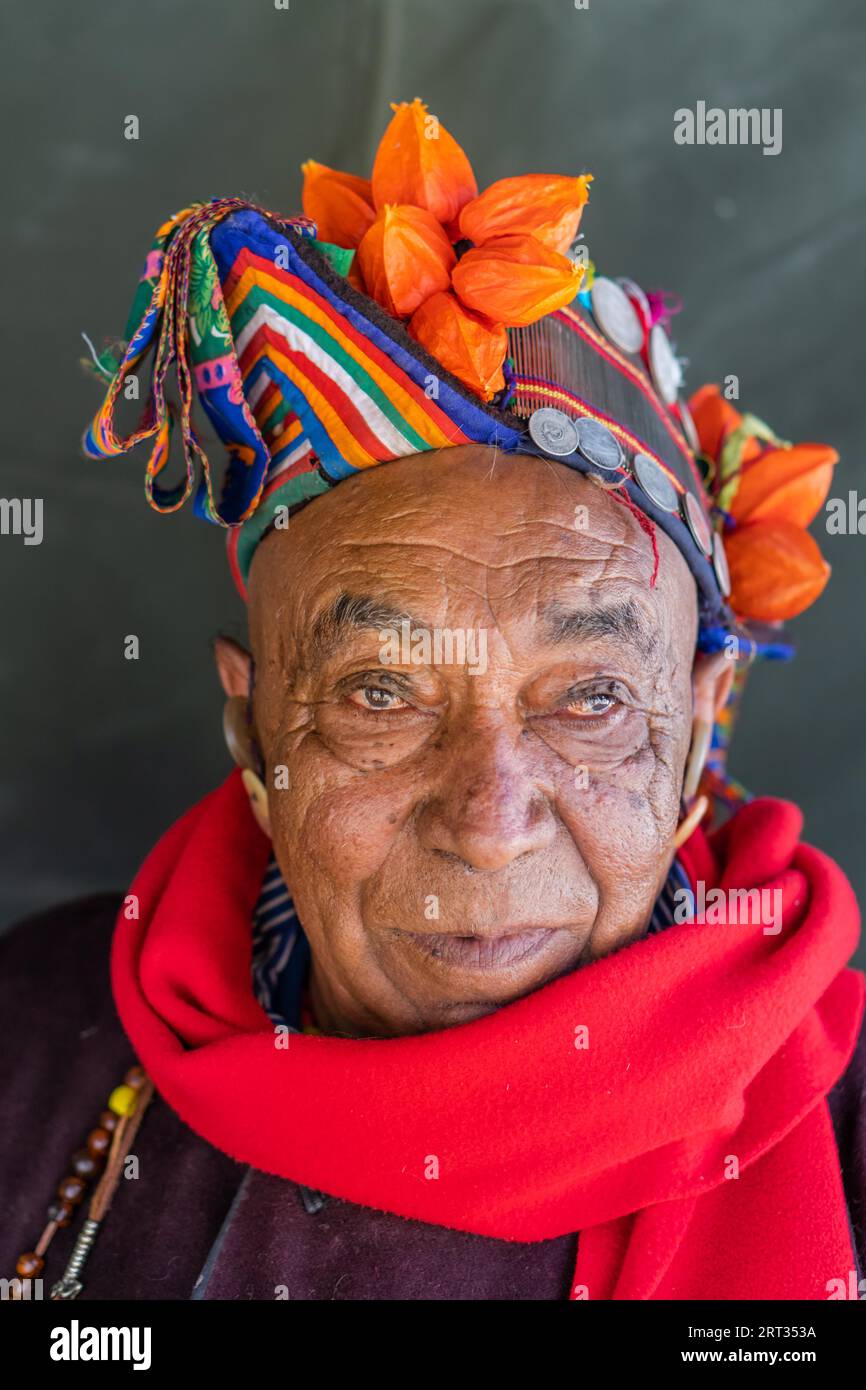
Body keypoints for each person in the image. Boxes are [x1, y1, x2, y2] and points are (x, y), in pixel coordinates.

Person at [3, 99, 863, 1302]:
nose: (490, 817)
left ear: (698, 730)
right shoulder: (36, 1038)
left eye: (592, 699)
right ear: (252, 728)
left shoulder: (847, 1112)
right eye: (381, 691)